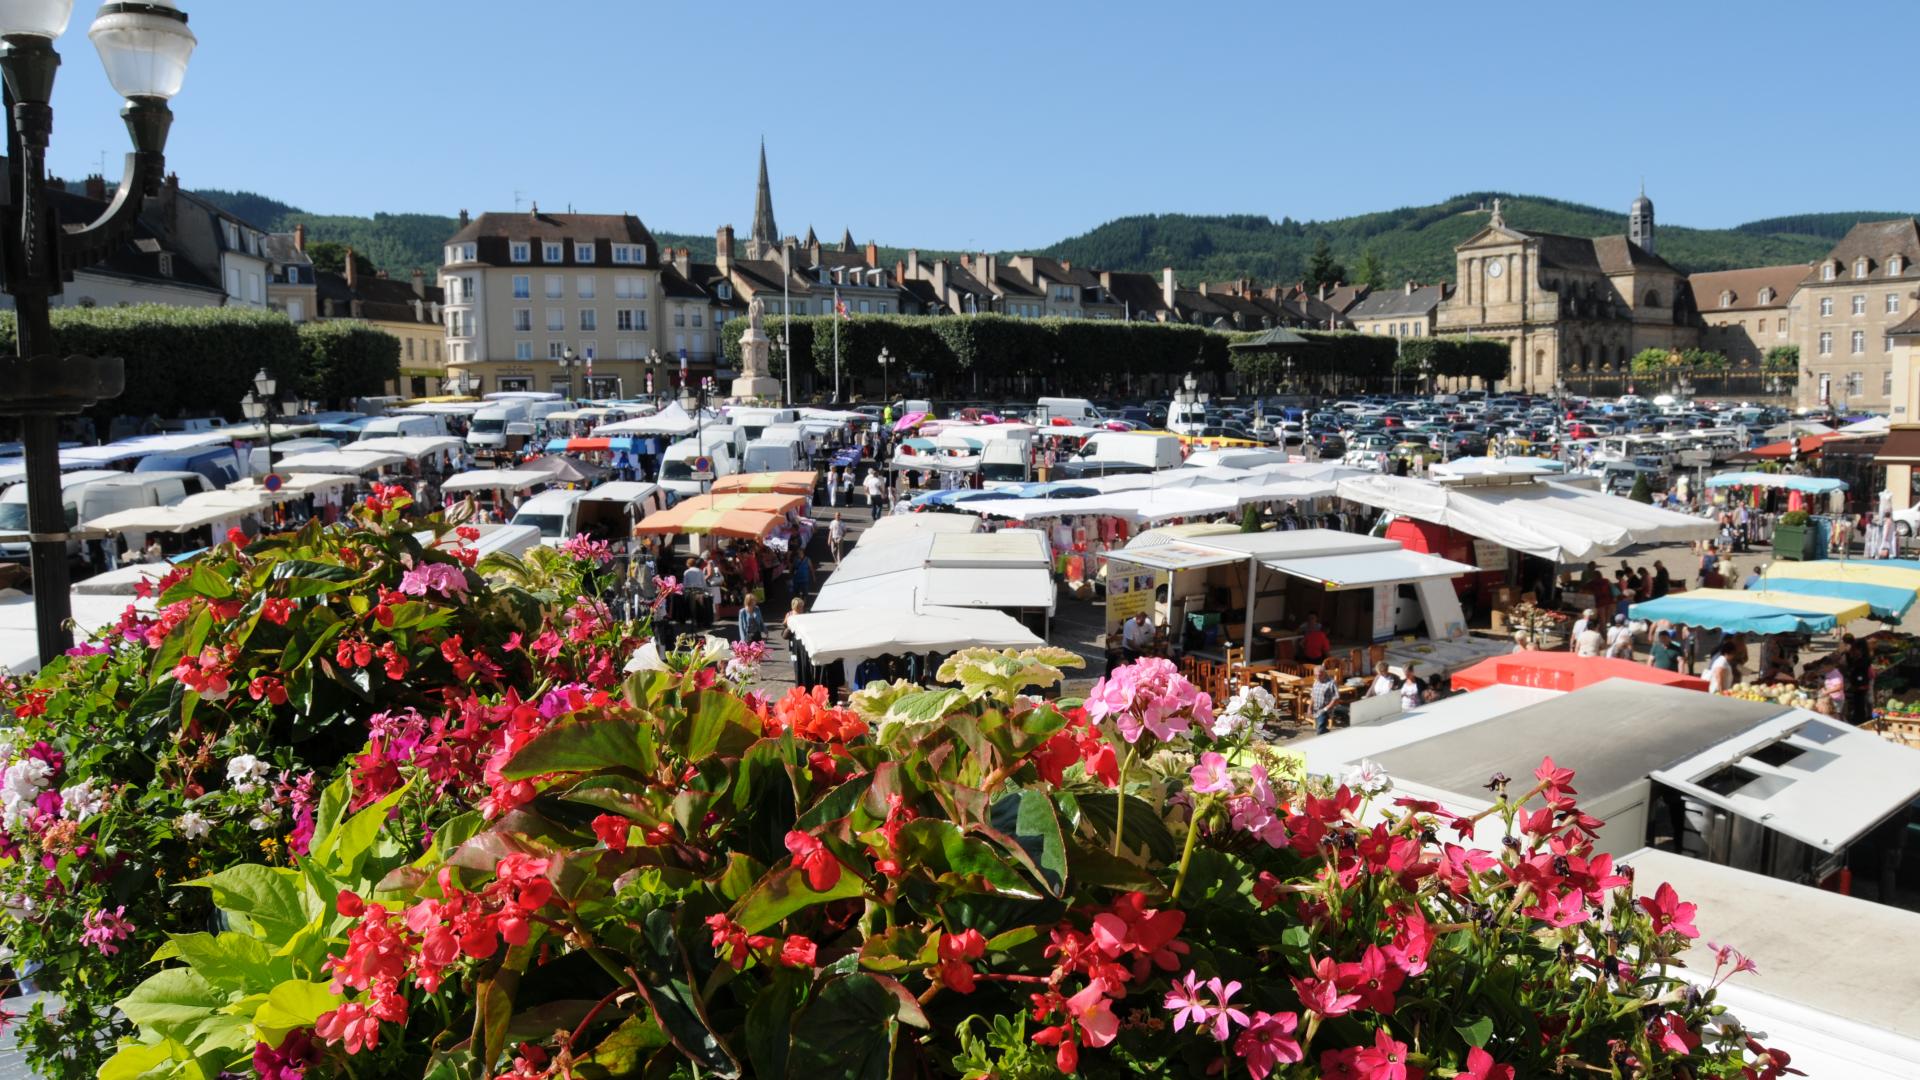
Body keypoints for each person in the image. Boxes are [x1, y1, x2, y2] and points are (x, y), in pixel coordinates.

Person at [1310, 665, 1339, 735]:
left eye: (1319, 675)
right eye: (1315, 675)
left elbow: (1336, 697)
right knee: (1320, 728)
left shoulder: (1331, 683)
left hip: (1325, 710)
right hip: (1316, 709)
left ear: (1324, 673)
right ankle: (1327, 734)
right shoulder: (1316, 681)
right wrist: (1309, 707)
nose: (1317, 677)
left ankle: (1324, 735)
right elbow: (1313, 695)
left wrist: (1326, 708)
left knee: (1319, 730)